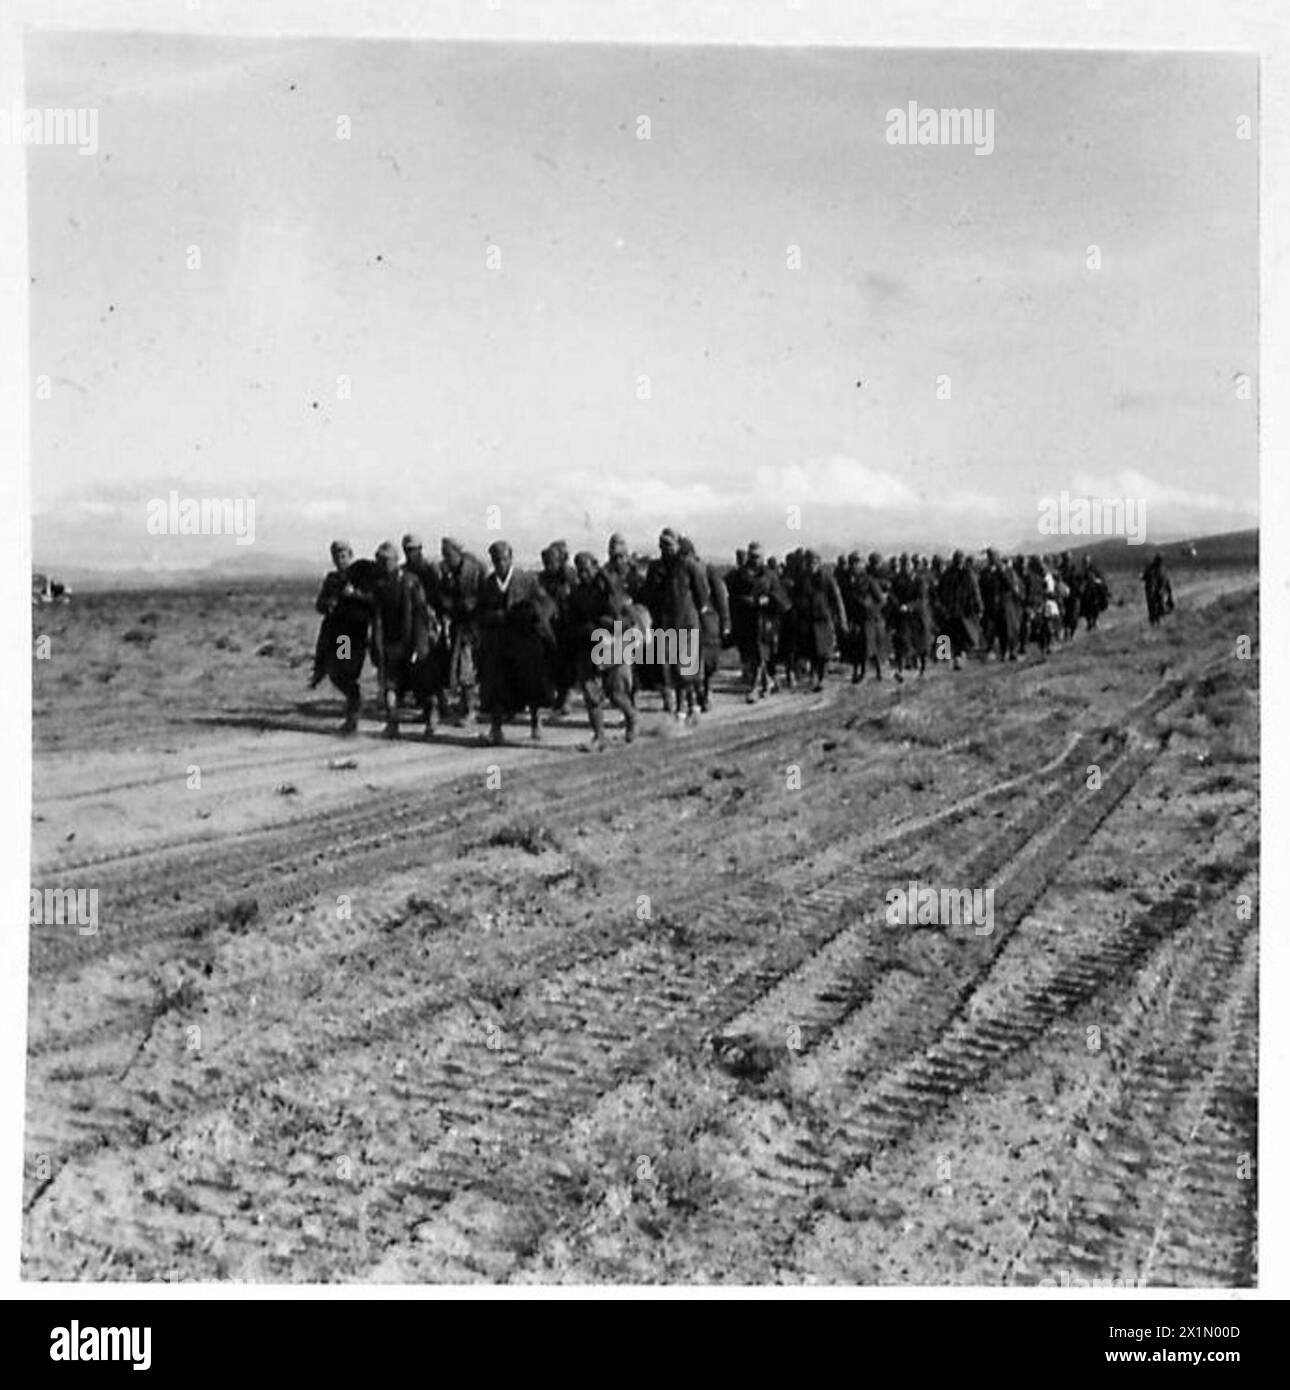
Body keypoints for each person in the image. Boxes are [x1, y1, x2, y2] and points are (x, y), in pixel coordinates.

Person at [477, 540, 556, 745]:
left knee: (531, 683)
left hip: (524, 642)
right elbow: (480, 612)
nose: (500, 563)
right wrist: (494, 617)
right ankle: (496, 729)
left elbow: (546, 603)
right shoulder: (488, 584)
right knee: (496, 686)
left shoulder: (526, 579)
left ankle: (535, 722)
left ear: (510, 558)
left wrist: (533, 616)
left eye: (504, 558)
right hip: (498, 644)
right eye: (496, 560)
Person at [567, 550, 638, 750]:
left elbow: (621, 617)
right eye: (579, 571)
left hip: (613, 643)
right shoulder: (577, 593)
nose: (583, 575)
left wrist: (606, 623)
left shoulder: (609, 587)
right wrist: (584, 630)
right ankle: (599, 736)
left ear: (595, 566)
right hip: (589, 645)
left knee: (615, 693)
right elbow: (571, 621)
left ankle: (632, 718)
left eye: (586, 570)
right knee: (591, 693)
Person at [640, 527, 709, 721]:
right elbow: (649, 593)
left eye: (669, 545)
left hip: (687, 622)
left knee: (687, 666)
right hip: (667, 623)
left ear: (678, 545)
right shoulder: (657, 568)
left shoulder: (689, 566)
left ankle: (687, 705)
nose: (665, 549)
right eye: (662, 545)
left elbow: (702, 595)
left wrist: (691, 610)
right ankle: (686, 704)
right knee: (673, 667)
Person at [370, 540, 436, 739]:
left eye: (387, 560)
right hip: (390, 643)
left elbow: (421, 614)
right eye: (380, 560)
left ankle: (431, 717)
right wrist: (376, 643)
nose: (384, 564)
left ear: (396, 560)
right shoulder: (380, 586)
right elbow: (377, 618)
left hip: (411, 641)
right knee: (390, 685)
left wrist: (420, 644)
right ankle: (392, 723)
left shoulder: (411, 581)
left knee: (420, 685)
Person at [311, 540, 374, 734]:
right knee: (340, 672)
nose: (340, 560)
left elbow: (373, 600)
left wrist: (355, 594)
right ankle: (353, 706)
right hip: (340, 635)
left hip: (355, 632)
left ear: (350, 555)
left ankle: (352, 714)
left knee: (347, 672)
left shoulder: (361, 574)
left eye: (343, 556)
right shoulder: (332, 579)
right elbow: (320, 604)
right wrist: (327, 604)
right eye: (337, 557)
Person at [729, 541, 788, 702]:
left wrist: (768, 600)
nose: (754, 559)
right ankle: (768, 682)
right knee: (753, 656)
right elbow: (732, 596)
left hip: (766, 622)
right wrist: (745, 601)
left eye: (758, 557)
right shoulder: (740, 575)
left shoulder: (770, 575)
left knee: (761, 655)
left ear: (762, 557)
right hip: (747, 621)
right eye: (752, 556)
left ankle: (755, 688)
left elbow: (782, 600)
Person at [680, 536, 731, 713]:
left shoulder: (706, 569)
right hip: (688, 621)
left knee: (708, 662)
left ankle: (705, 691)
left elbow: (720, 596)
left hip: (708, 620)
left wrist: (725, 621)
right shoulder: (678, 571)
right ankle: (697, 695)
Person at [439, 537, 486, 721]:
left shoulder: (474, 570)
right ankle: (464, 703)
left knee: (466, 668)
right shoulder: (446, 571)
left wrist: (473, 605)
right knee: (458, 667)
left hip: (473, 626)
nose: (446, 558)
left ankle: (470, 708)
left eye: (448, 554)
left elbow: (485, 593)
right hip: (456, 625)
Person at [793, 550, 848, 691]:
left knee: (823, 652)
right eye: (808, 562)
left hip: (823, 620)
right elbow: (795, 599)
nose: (811, 565)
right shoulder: (801, 579)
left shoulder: (827, 578)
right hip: (807, 620)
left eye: (813, 562)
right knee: (810, 650)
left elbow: (837, 601)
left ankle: (822, 678)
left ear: (818, 563)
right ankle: (813, 676)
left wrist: (842, 621)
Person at [937, 550, 982, 670]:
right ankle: (946, 657)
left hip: (962, 609)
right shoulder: (949, 574)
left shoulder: (967, 574)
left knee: (960, 636)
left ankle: (957, 658)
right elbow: (941, 591)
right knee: (949, 634)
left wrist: (978, 606)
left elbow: (974, 591)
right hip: (952, 609)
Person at [1142, 552, 1175, 625]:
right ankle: (1154, 619)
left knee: (1159, 602)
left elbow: (1165, 579)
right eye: (1159, 559)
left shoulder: (1161, 568)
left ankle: (1159, 616)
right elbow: (1145, 577)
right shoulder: (1153, 568)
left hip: (1159, 588)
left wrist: (1165, 589)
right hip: (1152, 589)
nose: (1159, 561)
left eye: (1159, 560)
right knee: (1152, 604)